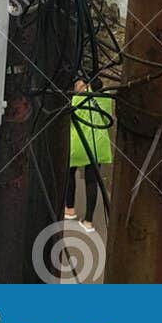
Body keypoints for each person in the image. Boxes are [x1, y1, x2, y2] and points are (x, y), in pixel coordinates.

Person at [64, 77, 113, 229]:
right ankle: (89, 221)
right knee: (92, 181)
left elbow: (69, 118)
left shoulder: (77, 98)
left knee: (70, 174)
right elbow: (106, 120)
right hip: (98, 145)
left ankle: (69, 209)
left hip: (78, 143)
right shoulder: (105, 99)